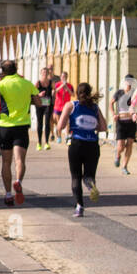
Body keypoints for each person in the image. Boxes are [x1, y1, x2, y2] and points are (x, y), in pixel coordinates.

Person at [0, 61, 38, 206]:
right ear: (16, 69)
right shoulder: (27, 83)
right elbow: (39, 102)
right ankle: (18, 181)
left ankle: (8, 194)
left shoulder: (0, 84)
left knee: (6, 161)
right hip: (22, 126)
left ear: (3, 72)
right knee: (20, 160)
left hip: (5, 126)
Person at [55, 82, 107, 217]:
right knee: (88, 175)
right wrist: (91, 126)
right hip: (92, 145)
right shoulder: (95, 108)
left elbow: (60, 125)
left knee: (75, 177)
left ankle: (79, 206)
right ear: (89, 93)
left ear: (77, 93)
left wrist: (61, 130)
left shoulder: (71, 105)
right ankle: (90, 184)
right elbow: (103, 127)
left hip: (76, 143)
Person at [112, 75, 137, 172]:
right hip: (121, 122)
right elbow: (111, 103)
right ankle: (118, 154)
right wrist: (114, 114)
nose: (129, 84)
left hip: (131, 122)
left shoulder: (134, 93)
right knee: (121, 146)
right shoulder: (119, 92)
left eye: (131, 82)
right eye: (128, 81)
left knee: (130, 143)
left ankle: (124, 166)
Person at [34, 67, 56, 150]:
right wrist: (39, 95)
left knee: (47, 122)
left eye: (46, 72)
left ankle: (46, 142)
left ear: (48, 73)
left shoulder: (51, 82)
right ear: (41, 73)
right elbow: (33, 92)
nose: (45, 74)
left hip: (48, 104)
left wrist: (54, 96)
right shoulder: (38, 82)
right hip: (39, 104)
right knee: (40, 122)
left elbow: (54, 90)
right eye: (43, 72)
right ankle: (39, 142)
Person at [52, 73, 74, 146]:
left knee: (67, 122)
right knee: (59, 122)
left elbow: (73, 94)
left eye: (65, 76)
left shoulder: (70, 85)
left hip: (66, 106)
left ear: (67, 77)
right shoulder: (57, 84)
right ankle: (59, 136)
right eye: (62, 76)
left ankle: (67, 137)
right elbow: (54, 92)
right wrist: (62, 86)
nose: (63, 78)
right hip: (58, 106)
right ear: (60, 77)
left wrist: (67, 88)